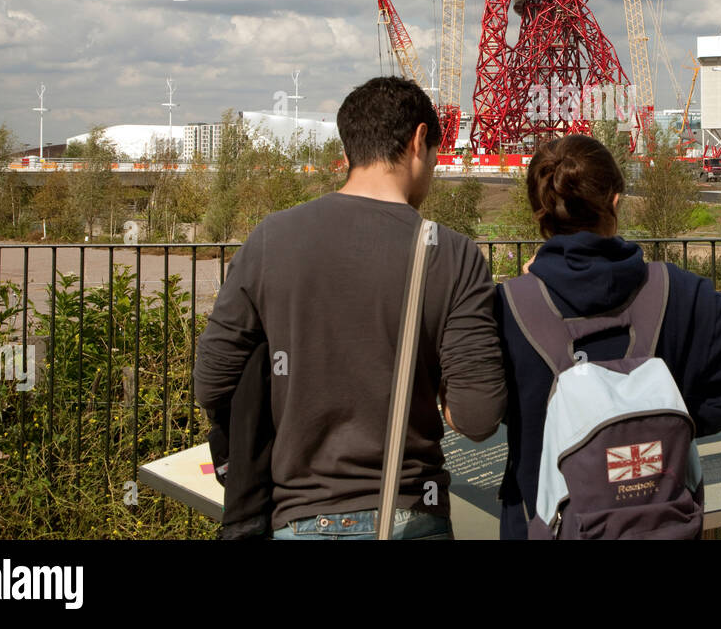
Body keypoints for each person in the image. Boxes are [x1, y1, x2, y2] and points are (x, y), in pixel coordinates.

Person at [193, 76, 506, 540]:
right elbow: (478, 418)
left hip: (297, 515)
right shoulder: (453, 254)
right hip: (412, 512)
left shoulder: (271, 238)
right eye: (437, 153)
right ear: (419, 140)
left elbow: (212, 381)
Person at [494, 134, 721, 539]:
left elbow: (479, 406)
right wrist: (676, 417)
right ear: (615, 202)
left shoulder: (506, 308)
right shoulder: (681, 293)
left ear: (540, 211)